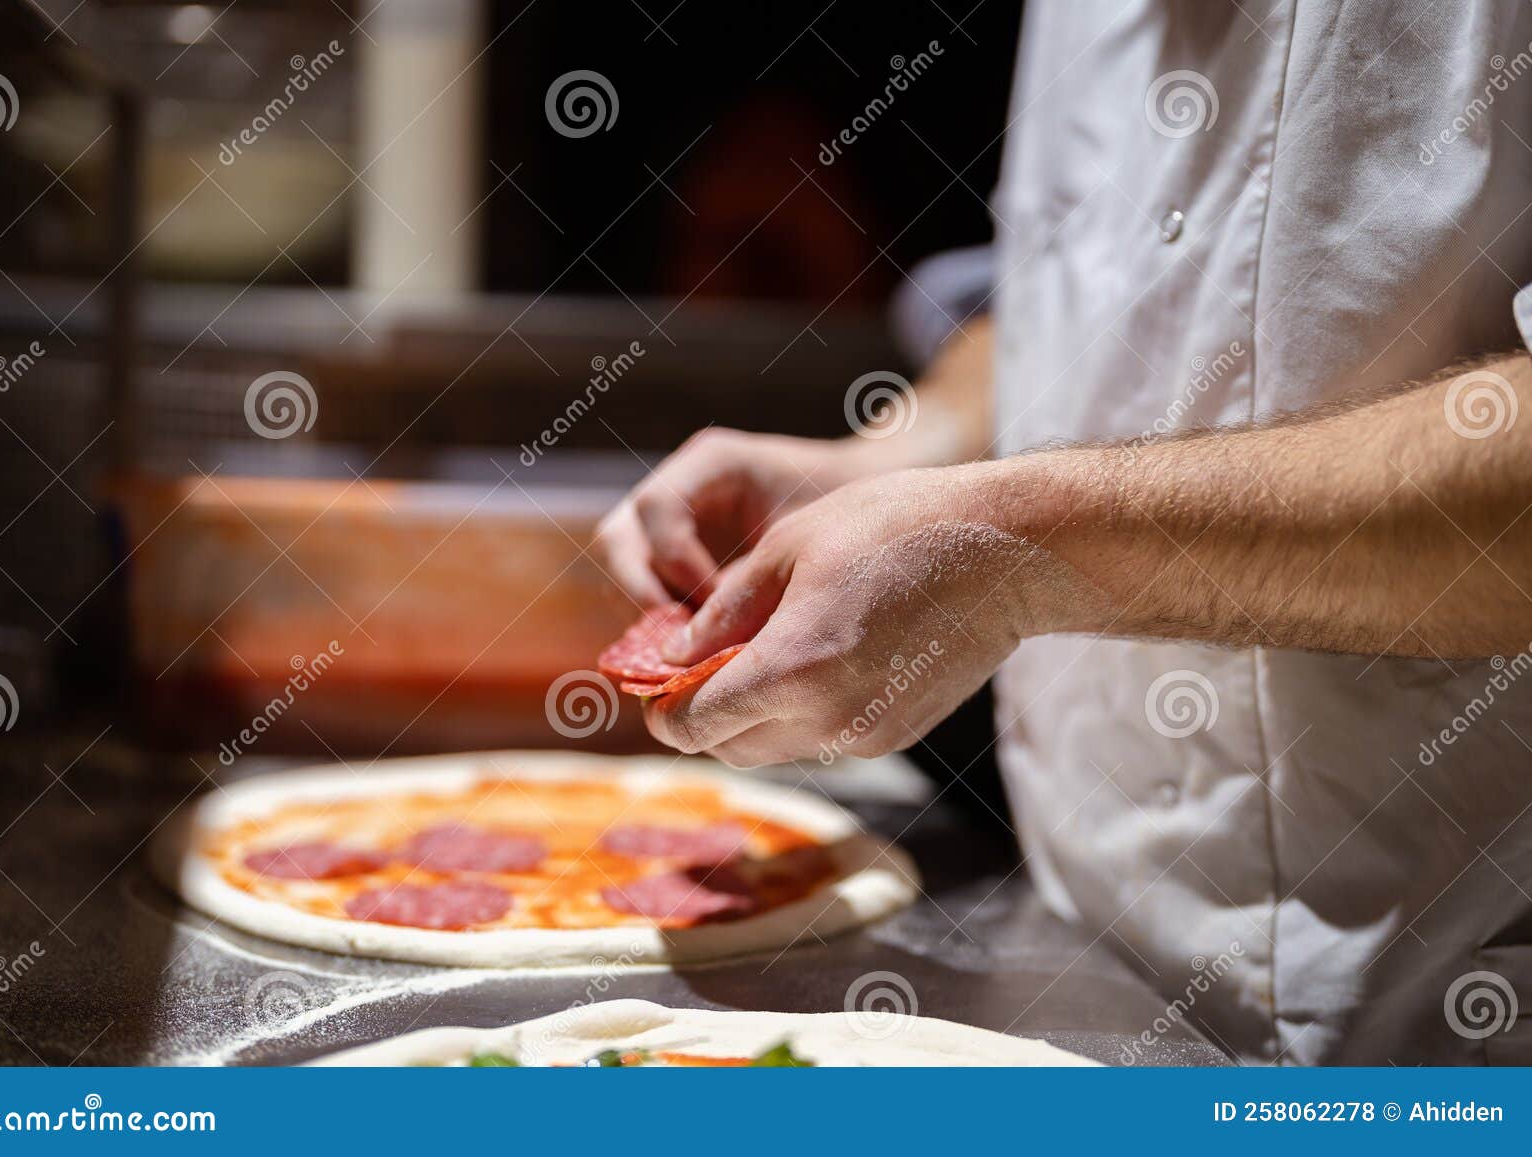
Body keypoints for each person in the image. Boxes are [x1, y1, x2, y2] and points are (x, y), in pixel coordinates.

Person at [595, 2, 1532, 1065]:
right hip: (1076, 968)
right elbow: (1055, 295)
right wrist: (893, 455)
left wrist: (1018, 550)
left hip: (1455, 1016)